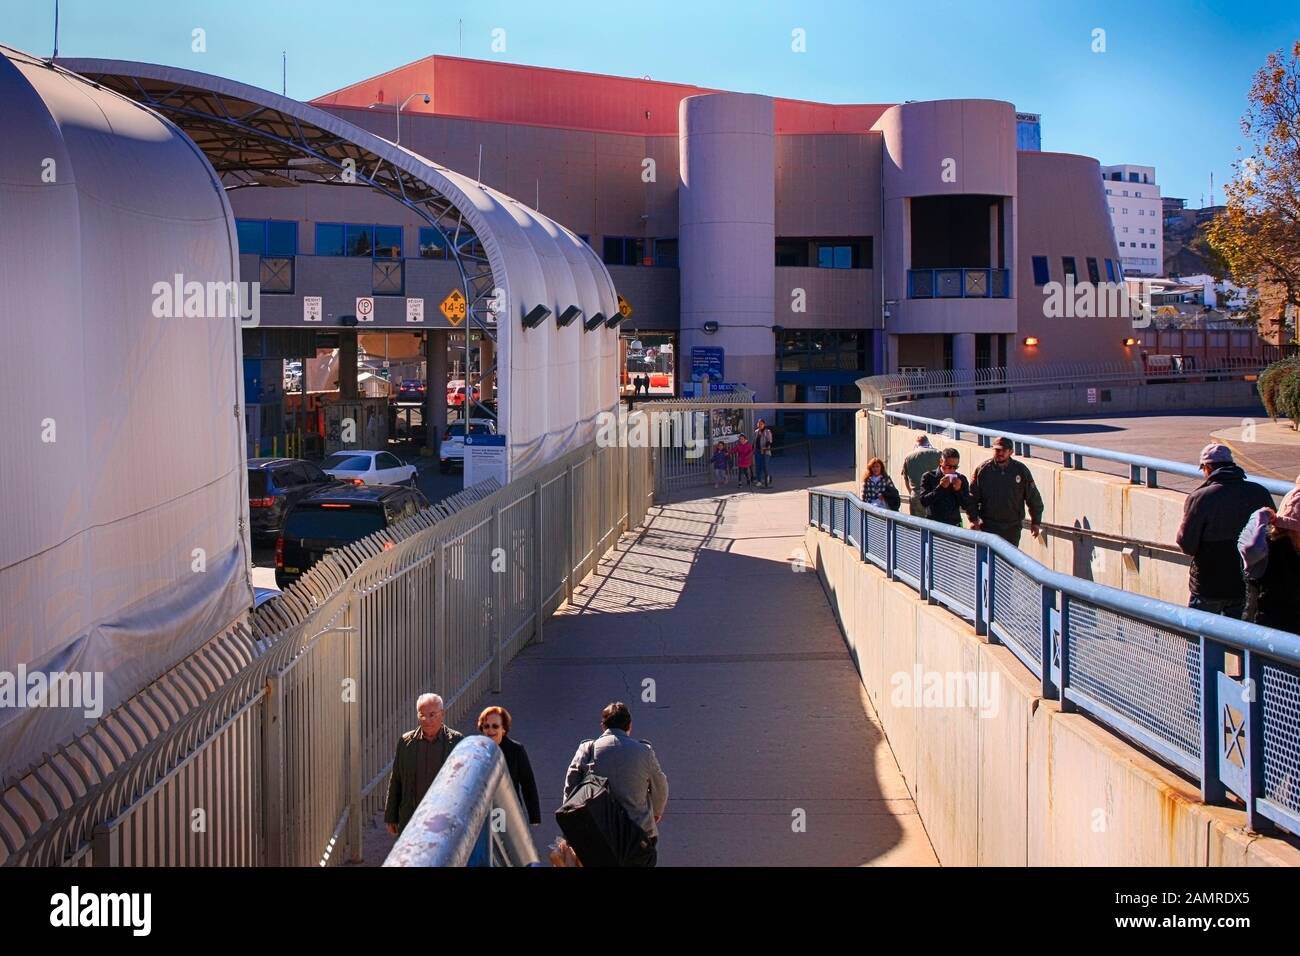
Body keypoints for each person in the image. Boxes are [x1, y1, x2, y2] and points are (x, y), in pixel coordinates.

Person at [563, 702, 668, 867]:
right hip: (637, 837)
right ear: (629, 726)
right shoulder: (644, 751)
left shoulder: (587, 749)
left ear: (603, 726)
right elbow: (661, 786)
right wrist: (656, 813)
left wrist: (571, 829)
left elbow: (571, 788)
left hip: (598, 836)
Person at [1176, 443, 1274, 619]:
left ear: (1207, 467)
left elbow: (1187, 544)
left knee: (1200, 640)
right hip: (1245, 584)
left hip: (1209, 585)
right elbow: (1272, 533)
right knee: (1238, 640)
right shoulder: (1259, 492)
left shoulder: (1200, 498)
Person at [384, 693, 464, 835]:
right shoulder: (406, 742)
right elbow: (396, 780)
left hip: (444, 821)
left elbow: (463, 783)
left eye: (432, 714)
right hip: (412, 820)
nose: (427, 720)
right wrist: (391, 817)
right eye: (422, 715)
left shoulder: (456, 741)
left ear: (442, 714)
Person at [970, 436, 1045, 547]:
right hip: (988, 526)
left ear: (1011, 452)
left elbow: (1033, 497)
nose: (999, 453)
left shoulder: (1020, 470)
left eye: (1003, 450)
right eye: (997, 450)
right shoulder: (983, 470)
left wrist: (1036, 522)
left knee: (1007, 562)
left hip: (1012, 528)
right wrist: (973, 519)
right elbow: (972, 497)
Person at [478, 705, 541, 826]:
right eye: (486, 726)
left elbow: (528, 783)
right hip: (483, 812)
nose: (490, 730)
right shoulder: (476, 750)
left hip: (507, 811)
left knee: (500, 841)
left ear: (504, 729)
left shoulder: (515, 750)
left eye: (495, 726)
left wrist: (534, 818)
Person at [919, 448, 978, 527]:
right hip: (934, 525)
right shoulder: (928, 477)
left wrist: (958, 490)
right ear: (941, 462)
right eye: (948, 466)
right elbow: (924, 501)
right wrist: (940, 488)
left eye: (955, 467)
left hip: (954, 524)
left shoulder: (961, 479)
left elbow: (966, 505)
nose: (952, 470)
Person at [901, 433, 941, 517]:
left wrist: (912, 492)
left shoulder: (909, 457)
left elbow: (906, 478)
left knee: (918, 525)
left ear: (917, 443)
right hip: (935, 494)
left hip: (916, 494)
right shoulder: (938, 453)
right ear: (928, 442)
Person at [753, 418, 775, 488]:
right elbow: (754, 441)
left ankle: (767, 477)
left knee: (765, 466)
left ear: (764, 424)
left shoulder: (767, 431)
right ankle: (759, 480)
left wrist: (765, 447)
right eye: (758, 424)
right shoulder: (756, 431)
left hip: (765, 451)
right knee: (758, 466)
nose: (759, 425)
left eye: (761, 424)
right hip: (757, 451)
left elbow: (769, 441)